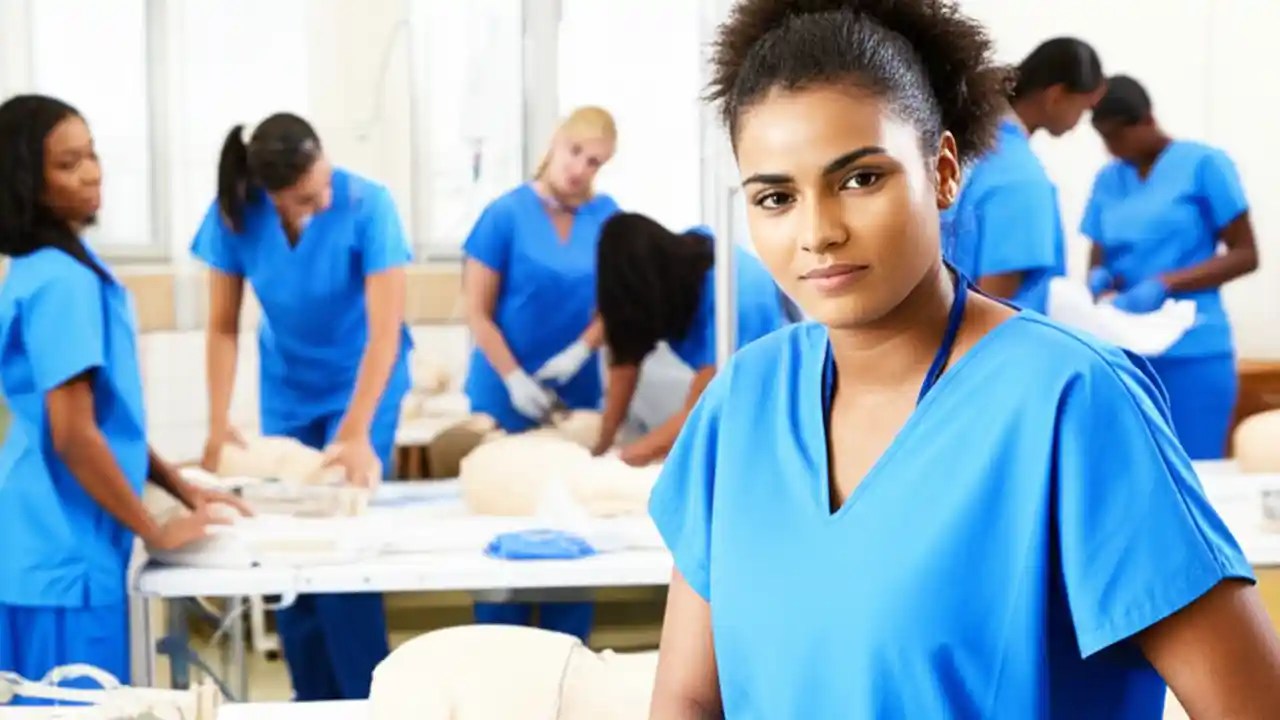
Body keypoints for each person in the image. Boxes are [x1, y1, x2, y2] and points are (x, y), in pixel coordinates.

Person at [647, 2, 1280, 718]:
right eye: (776, 197)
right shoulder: (742, 405)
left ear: (943, 171)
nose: (818, 232)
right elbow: (689, 699)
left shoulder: (1069, 401)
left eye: (860, 179)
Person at [0, 94, 245, 698]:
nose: (91, 172)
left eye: (92, 155)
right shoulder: (60, 281)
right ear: (26, 182)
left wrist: (180, 485)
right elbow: (73, 433)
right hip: (63, 558)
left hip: (50, 541)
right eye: (67, 163)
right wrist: (154, 529)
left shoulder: (59, 267)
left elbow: (108, 420)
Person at [191, 113, 414, 700]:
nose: (327, 195)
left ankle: (367, 701)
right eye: (310, 194)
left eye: (326, 179)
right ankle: (311, 700)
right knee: (285, 547)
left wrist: (358, 428)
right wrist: (217, 423)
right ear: (275, 195)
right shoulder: (237, 215)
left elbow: (385, 333)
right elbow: (220, 328)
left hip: (362, 384)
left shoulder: (370, 205)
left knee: (343, 542)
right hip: (288, 389)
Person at [462, 106, 619, 642]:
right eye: (576, 153)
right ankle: (501, 657)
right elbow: (477, 312)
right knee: (501, 540)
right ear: (555, 144)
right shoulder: (504, 215)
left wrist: (582, 349)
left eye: (595, 162)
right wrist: (512, 377)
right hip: (502, 396)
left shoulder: (608, 218)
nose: (581, 169)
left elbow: (616, 302)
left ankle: (565, 660)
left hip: (573, 400)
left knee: (571, 539)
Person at [1081, 75, 1258, 461]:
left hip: (1195, 347)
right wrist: (1100, 280)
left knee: (1196, 471)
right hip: (1126, 351)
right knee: (1134, 473)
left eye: (1118, 135)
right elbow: (1097, 254)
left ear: (1146, 120)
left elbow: (1246, 254)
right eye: (1104, 138)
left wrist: (1166, 282)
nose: (1112, 148)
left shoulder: (1204, 165)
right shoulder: (1109, 179)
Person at [592, 213, 788, 466]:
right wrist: (602, 442)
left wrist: (624, 461)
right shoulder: (676, 260)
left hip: (773, 394)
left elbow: (707, 404)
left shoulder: (736, 296)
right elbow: (626, 355)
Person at [944, 37, 1104, 312]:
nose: (1081, 121)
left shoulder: (971, 149)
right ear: (1056, 96)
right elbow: (992, 305)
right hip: (988, 345)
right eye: (1084, 108)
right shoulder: (1020, 178)